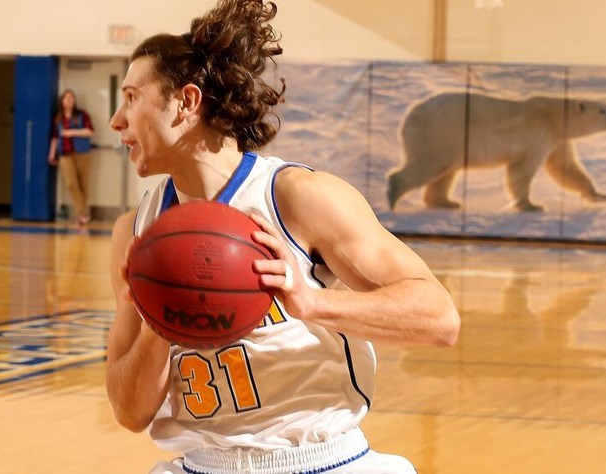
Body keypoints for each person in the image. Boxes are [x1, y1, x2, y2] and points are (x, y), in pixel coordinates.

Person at [105, 1, 461, 473]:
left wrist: (312, 303)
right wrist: (158, 319)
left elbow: (439, 319)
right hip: (200, 464)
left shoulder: (297, 197)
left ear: (187, 103)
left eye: (131, 97)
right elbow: (130, 413)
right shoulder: (133, 233)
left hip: (324, 461)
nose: (116, 119)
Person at [47, 89, 95, 225]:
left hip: (82, 153)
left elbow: (89, 131)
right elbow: (55, 137)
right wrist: (51, 154)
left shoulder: (82, 115)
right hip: (65, 154)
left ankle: (82, 215)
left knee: (83, 184)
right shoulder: (58, 118)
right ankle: (83, 212)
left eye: (71, 97)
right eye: (66, 98)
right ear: (62, 101)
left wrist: (71, 132)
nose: (69, 100)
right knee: (71, 184)